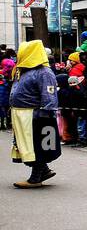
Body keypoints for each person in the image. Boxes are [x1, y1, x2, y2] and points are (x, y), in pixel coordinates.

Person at [9, 40, 59, 187]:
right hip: (21, 114)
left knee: (34, 145)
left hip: (33, 114)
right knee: (25, 145)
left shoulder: (44, 72)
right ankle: (44, 170)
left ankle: (35, 178)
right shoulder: (24, 71)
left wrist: (45, 113)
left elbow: (49, 94)